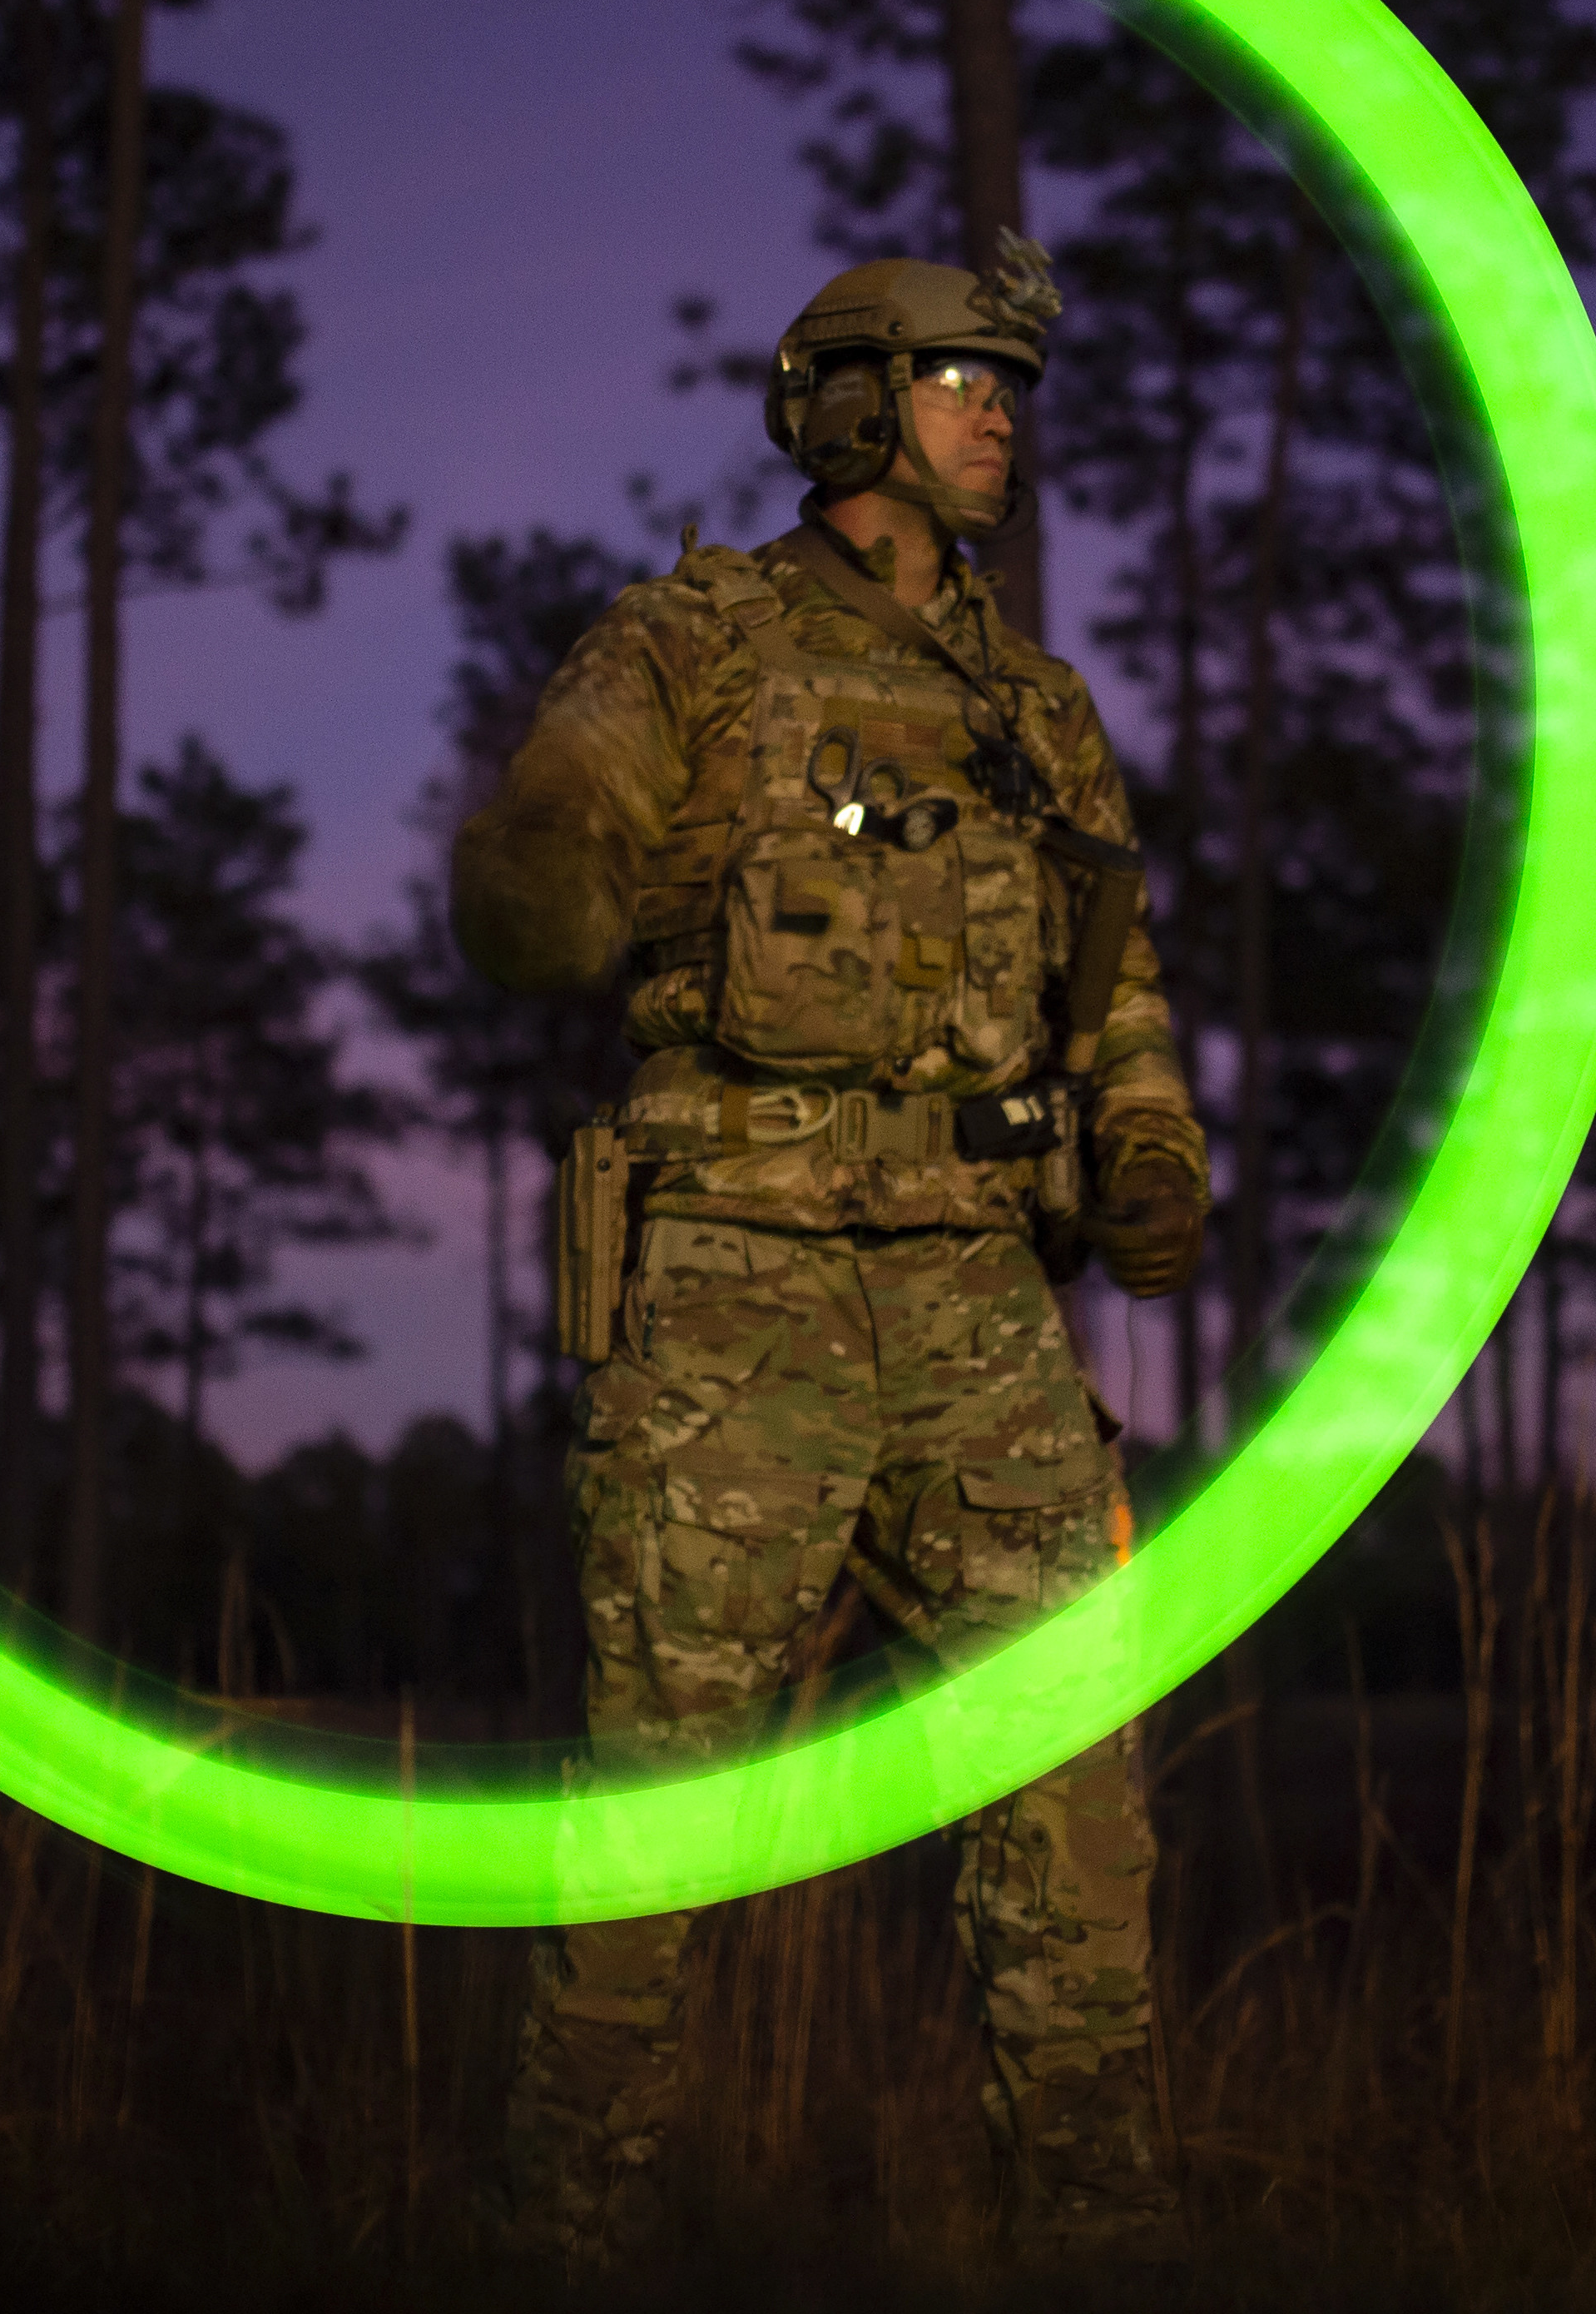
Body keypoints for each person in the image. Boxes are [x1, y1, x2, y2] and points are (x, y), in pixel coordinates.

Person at [454, 233, 1212, 2257]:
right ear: (855, 400)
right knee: (659, 1826)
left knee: (1079, 1805)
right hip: (738, 1289)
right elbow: (563, 832)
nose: (1002, 423)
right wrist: (546, 861)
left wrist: (1145, 1138)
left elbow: (1113, 984)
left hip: (978, 1303)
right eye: (967, 383)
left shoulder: (1036, 708)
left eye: (1014, 391)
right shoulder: (696, 640)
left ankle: (1103, 2246)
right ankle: (556, 2246)